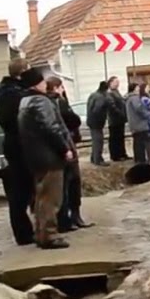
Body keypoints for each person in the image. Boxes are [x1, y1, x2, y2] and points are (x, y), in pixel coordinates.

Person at [17, 68, 73, 250]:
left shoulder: (24, 101)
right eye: (42, 82)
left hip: (35, 156)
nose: (44, 84)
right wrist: (64, 148)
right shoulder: (41, 102)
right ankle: (49, 235)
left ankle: (41, 232)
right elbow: (51, 127)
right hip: (49, 156)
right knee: (51, 197)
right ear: (36, 83)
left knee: (41, 197)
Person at [0, 58, 34, 246]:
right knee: (19, 194)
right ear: (22, 71)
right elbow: (15, 121)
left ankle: (27, 231)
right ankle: (23, 234)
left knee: (23, 191)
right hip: (18, 146)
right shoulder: (11, 94)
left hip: (17, 144)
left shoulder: (10, 92)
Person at [47, 77, 93, 231]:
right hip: (65, 146)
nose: (63, 90)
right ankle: (70, 218)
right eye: (61, 87)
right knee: (70, 183)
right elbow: (72, 120)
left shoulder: (54, 102)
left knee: (70, 184)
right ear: (56, 88)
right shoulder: (57, 103)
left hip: (66, 144)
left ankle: (72, 217)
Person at [126, 83, 150, 165]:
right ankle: (141, 159)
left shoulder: (129, 98)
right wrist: (148, 115)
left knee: (137, 142)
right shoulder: (134, 98)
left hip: (134, 123)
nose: (139, 89)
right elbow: (139, 108)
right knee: (140, 142)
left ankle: (138, 159)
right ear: (134, 88)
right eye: (138, 87)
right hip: (139, 123)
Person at [85, 81, 110, 167]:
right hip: (97, 122)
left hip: (91, 121)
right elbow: (97, 110)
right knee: (98, 141)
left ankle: (93, 157)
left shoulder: (93, 95)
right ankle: (98, 160)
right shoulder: (101, 97)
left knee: (95, 141)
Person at [106, 76, 129, 161]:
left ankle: (122, 153)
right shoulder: (109, 93)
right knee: (115, 138)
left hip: (120, 119)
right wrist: (120, 113)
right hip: (114, 120)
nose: (118, 83)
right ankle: (115, 155)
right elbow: (112, 106)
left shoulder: (116, 92)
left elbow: (121, 101)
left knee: (121, 137)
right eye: (116, 82)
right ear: (110, 83)